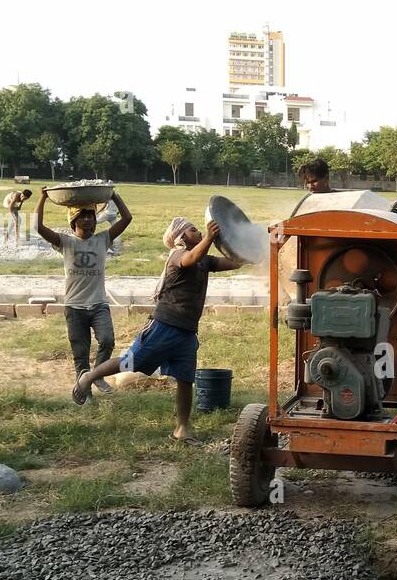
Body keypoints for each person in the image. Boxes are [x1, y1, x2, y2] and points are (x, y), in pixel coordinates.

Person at [71, 217, 242, 441]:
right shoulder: (178, 256)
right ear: (181, 238)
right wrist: (209, 237)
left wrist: (242, 244)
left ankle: (182, 428)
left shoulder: (205, 260)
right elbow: (191, 257)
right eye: (193, 229)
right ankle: (88, 377)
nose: (198, 230)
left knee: (185, 379)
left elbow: (235, 262)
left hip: (187, 331)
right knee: (131, 361)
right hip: (165, 326)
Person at [33, 186, 131, 394]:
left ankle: (98, 375)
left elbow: (127, 218)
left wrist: (113, 196)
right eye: (82, 215)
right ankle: (83, 393)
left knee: (107, 340)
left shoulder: (103, 239)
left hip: (98, 304)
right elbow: (38, 227)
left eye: (91, 215)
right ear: (73, 221)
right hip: (74, 307)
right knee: (81, 352)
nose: (88, 219)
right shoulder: (65, 242)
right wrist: (42, 198)